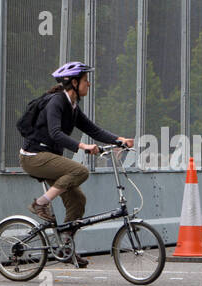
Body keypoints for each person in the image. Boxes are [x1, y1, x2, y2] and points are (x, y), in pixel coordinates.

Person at [19, 61, 134, 268]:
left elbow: (93, 129)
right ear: (73, 82)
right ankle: (40, 204)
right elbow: (55, 133)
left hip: (49, 157)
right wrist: (83, 146)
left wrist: (118, 140)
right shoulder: (56, 102)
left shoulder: (72, 106)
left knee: (77, 200)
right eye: (85, 80)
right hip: (33, 156)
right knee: (79, 170)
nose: (88, 84)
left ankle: (65, 248)